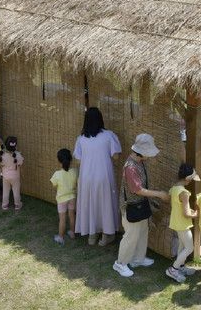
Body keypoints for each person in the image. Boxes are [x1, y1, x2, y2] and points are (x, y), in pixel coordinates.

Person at [113, 133, 170, 278]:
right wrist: (159, 194)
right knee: (131, 235)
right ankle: (120, 263)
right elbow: (137, 189)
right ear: (141, 152)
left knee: (142, 231)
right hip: (131, 206)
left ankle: (138, 258)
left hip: (140, 205)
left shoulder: (140, 161)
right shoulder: (130, 168)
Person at [74, 107, 122, 246]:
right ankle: (107, 235)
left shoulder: (81, 138)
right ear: (100, 119)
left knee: (90, 204)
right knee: (105, 204)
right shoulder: (108, 135)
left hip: (86, 177)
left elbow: (78, 160)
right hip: (103, 176)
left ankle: (92, 235)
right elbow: (116, 156)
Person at [166, 163, 201, 282]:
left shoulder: (174, 188)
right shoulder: (184, 193)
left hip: (176, 221)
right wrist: (196, 214)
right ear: (188, 179)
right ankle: (174, 269)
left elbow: (175, 205)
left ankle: (180, 267)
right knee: (189, 248)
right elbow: (186, 214)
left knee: (182, 245)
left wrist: (188, 211)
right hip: (183, 224)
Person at [51, 148, 78, 244]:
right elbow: (76, 184)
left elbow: (54, 186)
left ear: (59, 161)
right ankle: (72, 232)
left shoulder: (57, 174)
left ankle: (60, 237)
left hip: (62, 199)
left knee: (62, 218)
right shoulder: (75, 172)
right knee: (71, 215)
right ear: (71, 160)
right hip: (72, 197)